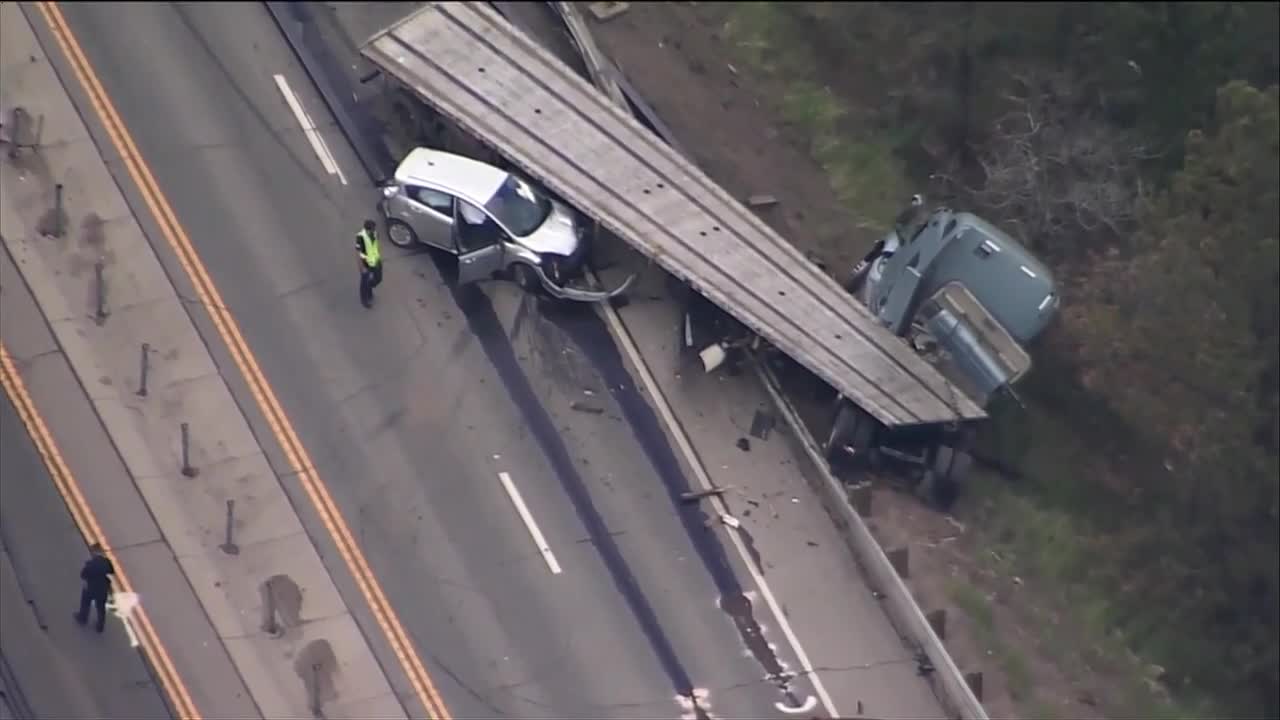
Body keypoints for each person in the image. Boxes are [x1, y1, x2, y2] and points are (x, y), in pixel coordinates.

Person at [75, 542, 115, 633]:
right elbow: (111, 571)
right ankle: (100, 626)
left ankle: (83, 618)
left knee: (85, 602)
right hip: (102, 589)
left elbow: (83, 575)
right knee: (101, 608)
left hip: (91, 588)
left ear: (94, 552)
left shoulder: (91, 564)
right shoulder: (107, 562)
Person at [356, 219, 383, 308]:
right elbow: (358, 253)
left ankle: (369, 287)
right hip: (366, 264)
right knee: (364, 283)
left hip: (376, 261)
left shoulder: (375, 233)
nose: (375, 230)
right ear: (368, 229)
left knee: (378, 279)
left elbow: (376, 244)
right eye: (373, 229)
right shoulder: (360, 237)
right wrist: (362, 267)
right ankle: (365, 300)